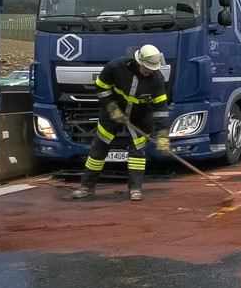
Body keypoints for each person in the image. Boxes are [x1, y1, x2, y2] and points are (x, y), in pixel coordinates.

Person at [71, 44, 170, 202]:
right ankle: (86, 187)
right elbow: (101, 87)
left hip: (140, 117)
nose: (150, 71)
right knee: (99, 149)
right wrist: (112, 107)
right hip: (112, 113)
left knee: (137, 153)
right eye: (147, 67)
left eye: (152, 68)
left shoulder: (156, 78)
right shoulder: (115, 67)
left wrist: (163, 135)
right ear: (139, 61)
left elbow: (161, 109)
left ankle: (135, 189)